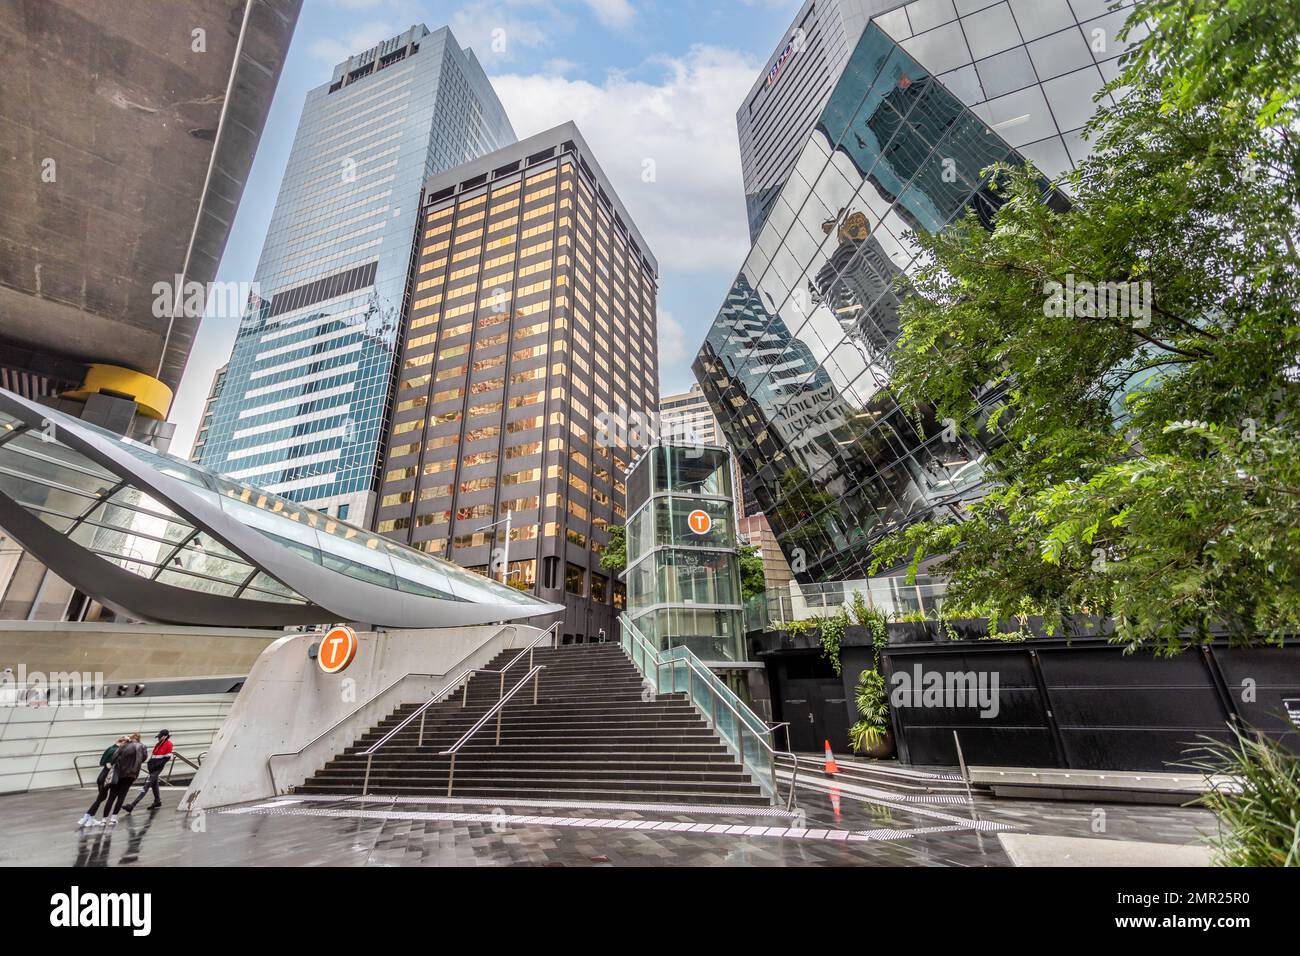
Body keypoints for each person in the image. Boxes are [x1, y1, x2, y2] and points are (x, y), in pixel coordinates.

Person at [89, 732, 146, 826]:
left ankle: (104, 820)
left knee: (111, 797)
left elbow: (114, 758)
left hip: (119, 774)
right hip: (131, 775)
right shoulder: (142, 746)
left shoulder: (123, 746)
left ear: (131, 738)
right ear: (139, 739)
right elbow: (143, 758)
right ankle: (113, 819)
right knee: (121, 796)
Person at [78, 736, 127, 828]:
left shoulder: (110, 748)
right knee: (100, 799)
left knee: (100, 798)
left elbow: (101, 762)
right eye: (127, 742)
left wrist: (107, 764)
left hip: (101, 777)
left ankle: (88, 818)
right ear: (123, 742)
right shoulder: (117, 751)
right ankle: (87, 818)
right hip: (107, 778)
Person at [124, 729, 173, 813]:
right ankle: (157, 801)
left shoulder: (169, 744)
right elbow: (154, 756)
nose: (158, 738)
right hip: (152, 768)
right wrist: (150, 765)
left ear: (164, 737)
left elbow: (166, 758)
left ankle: (132, 805)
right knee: (154, 784)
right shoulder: (158, 744)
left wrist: (156, 767)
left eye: (159, 737)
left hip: (157, 768)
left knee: (146, 785)